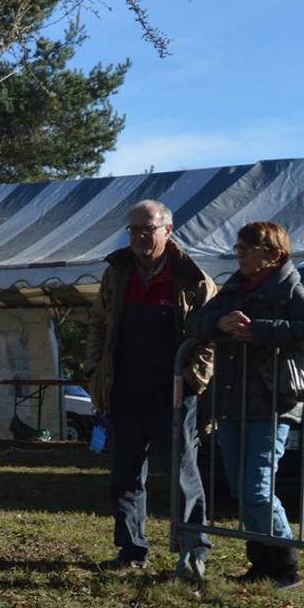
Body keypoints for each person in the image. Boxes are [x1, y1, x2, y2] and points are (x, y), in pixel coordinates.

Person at [188, 221, 304, 589]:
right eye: (238, 248)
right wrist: (221, 321)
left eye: (246, 249)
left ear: (272, 254)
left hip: (272, 402)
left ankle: (286, 565)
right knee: (241, 488)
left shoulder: (290, 287)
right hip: (232, 401)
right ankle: (262, 563)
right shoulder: (233, 287)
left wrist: (259, 329)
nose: (240, 255)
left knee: (257, 489)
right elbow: (195, 323)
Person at [89, 199, 217, 583]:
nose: (140, 237)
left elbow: (210, 336)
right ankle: (132, 550)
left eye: (148, 229)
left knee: (183, 475)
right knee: (124, 474)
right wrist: (95, 371)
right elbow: (98, 323)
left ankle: (195, 552)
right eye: (134, 230)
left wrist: (193, 380)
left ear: (168, 231)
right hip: (124, 390)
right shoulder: (116, 272)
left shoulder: (192, 277)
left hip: (173, 395)